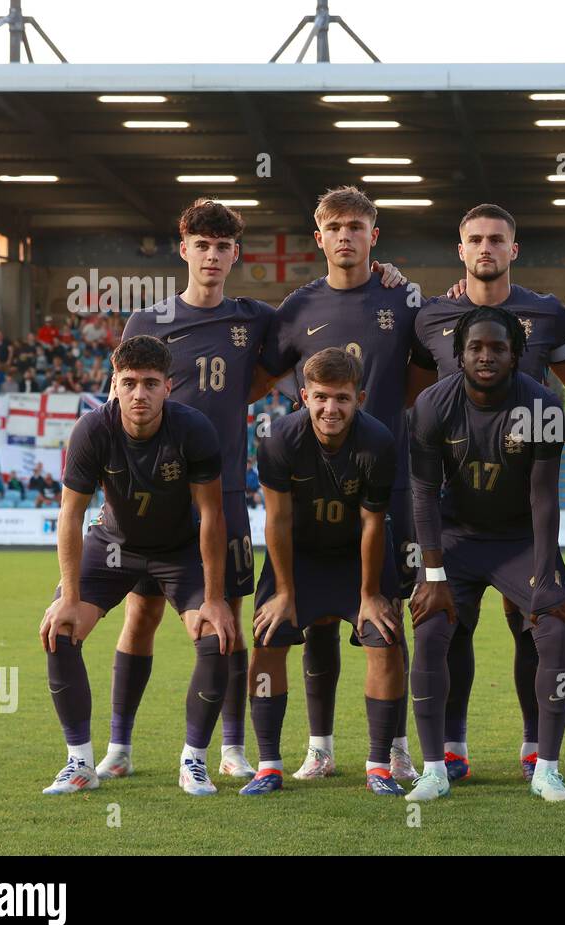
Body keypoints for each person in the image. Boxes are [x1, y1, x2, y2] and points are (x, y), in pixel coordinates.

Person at [408, 202, 565, 784]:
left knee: (536, 627)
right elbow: (413, 401)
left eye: (497, 239)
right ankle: (448, 754)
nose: (485, 247)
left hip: (518, 519)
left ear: (514, 248)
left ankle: (539, 752)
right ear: (459, 249)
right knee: (445, 627)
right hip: (458, 521)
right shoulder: (430, 318)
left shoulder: (547, 315)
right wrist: (430, 571)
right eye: (474, 239)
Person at [96, 199, 277, 784]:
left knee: (227, 619)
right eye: (202, 245)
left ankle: (229, 746)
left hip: (221, 493)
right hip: (149, 494)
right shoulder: (144, 323)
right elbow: (113, 407)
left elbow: (305, 331)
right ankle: (118, 747)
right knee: (141, 613)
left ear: (235, 254)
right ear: (184, 250)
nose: (213, 256)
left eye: (223, 246)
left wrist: (389, 276)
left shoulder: (253, 319)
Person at [249, 185, 419, 783]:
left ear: (375, 235)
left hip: (386, 477)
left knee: (389, 618)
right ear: (318, 237)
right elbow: (256, 379)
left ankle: (393, 747)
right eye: (335, 226)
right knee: (310, 624)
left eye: (357, 225)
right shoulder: (295, 309)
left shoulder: (404, 299)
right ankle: (317, 748)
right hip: (313, 479)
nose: (346, 235)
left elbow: (427, 373)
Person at [36, 334, 237, 796]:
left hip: (179, 549)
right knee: (59, 631)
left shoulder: (194, 429)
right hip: (113, 546)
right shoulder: (92, 429)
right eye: (129, 383)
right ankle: (81, 762)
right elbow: (70, 514)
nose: (140, 394)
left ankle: (194, 761)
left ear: (170, 386)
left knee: (216, 637)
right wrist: (68, 597)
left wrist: (213, 598)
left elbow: (211, 514)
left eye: (151, 383)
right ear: (115, 385)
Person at [242, 348, 407, 798]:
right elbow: (276, 522)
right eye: (320, 397)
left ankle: (379, 765)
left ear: (360, 399)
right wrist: (283, 591)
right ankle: (269, 765)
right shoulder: (277, 440)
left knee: (386, 640)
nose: (330, 408)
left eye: (341, 398)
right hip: (299, 557)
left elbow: (374, 523)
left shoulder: (378, 442)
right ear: (303, 397)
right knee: (268, 639)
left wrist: (370, 593)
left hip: (358, 558)